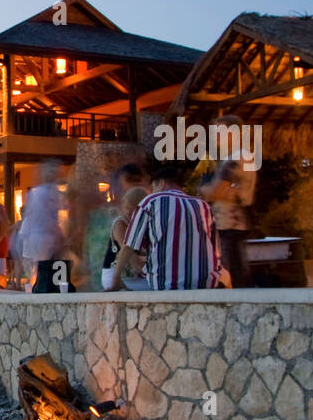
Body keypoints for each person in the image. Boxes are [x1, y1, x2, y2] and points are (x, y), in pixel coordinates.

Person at [107, 166, 221, 291]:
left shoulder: (150, 202)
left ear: (161, 184)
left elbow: (129, 245)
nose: (153, 191)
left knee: (132, 284)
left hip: (164, 284)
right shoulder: (203, 205)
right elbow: (216, 249)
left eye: (154, 187)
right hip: (204, 283)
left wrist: (115, 279)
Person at [199, 118, 257, 288]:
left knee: (232, 277)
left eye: (220, 132)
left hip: (229, 225)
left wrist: (203, 188)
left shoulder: (234, 160)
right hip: (235, 224)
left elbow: (215, 191)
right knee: (238, 274)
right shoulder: (245, 157)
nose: (216, 137)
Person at [20, 160, 71, 293]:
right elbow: (48, 218)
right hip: (43, 236)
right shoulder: (44, 193)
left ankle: (45, 290)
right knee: (44, 269)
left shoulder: (41, 192)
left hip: (41, 236)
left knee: (44, 269)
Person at [101, 187, 146, 290]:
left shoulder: (141, 223)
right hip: (117, 275)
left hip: (134, 274)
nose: (129, 213)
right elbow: (131, 258)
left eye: (132, 209)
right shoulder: (121, 224)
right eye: (126, 208)